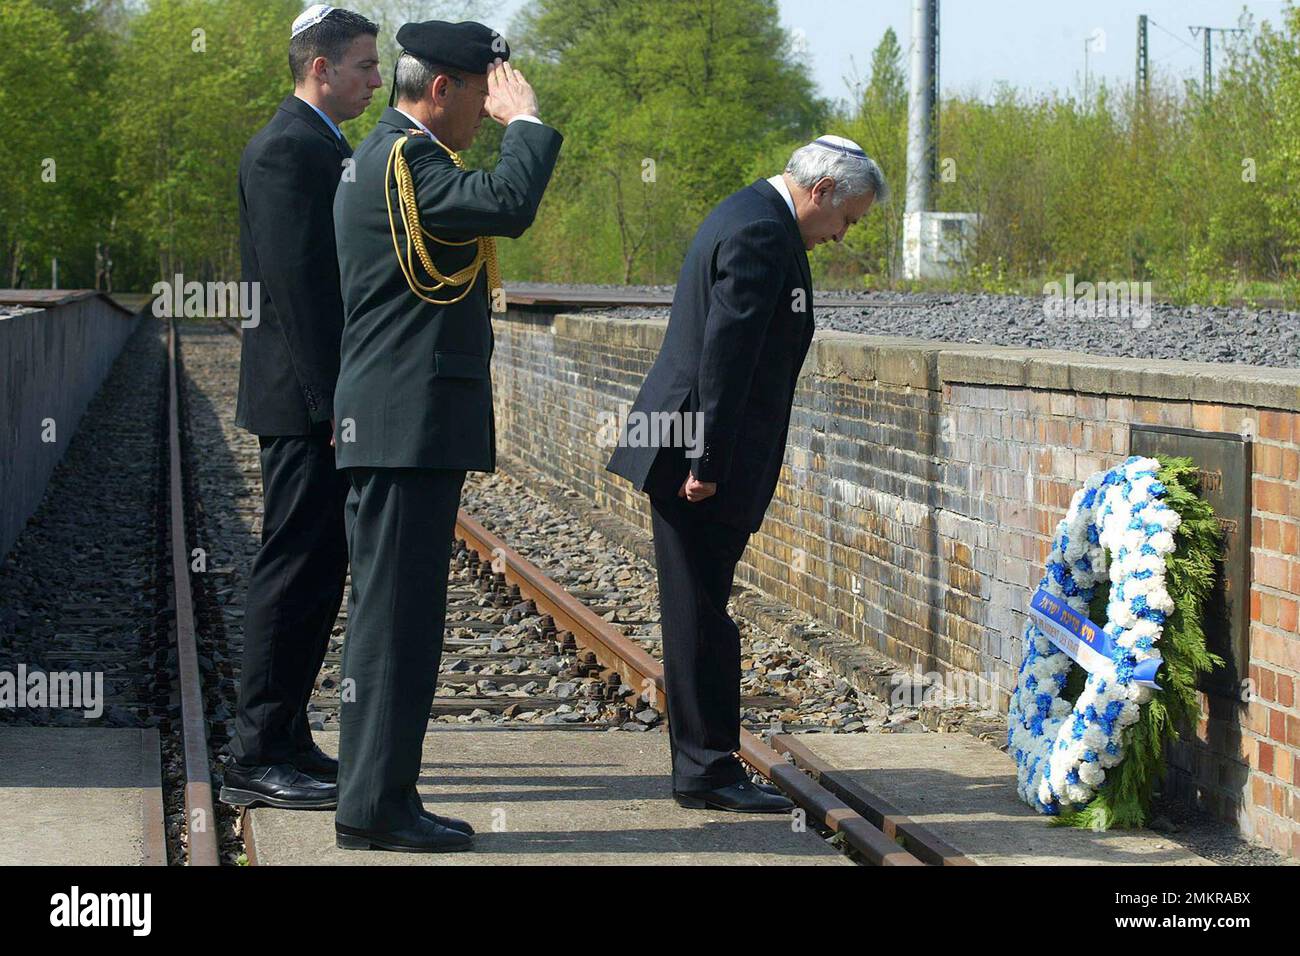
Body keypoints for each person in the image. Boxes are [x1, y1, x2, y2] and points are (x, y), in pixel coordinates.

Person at [330, 20, 562, 852]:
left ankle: (380, 795)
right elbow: (509, 205)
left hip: (400, 423)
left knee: (398, 619)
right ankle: (374, 808)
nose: (486, 111)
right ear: (443, 89)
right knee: (396, 624)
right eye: (482, 94)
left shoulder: (387, 158)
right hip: (404, 425)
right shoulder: (407, 160)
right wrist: (527, 126)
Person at [607, 136, 887, 812]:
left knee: (699, 607)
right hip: (694, 452)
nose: (842, 236)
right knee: (702, 613)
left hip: (680, 437)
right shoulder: (763, 234)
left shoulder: (746, 211)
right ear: (819, 193)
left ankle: (705, 763)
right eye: (846, 219)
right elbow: (725, 360)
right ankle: (706, 770)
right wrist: (706, 464)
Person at [219, 5, 382, 811]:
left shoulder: (317, 140)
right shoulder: (289, 148)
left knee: (318, 569)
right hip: (304, 403)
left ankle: (285, 736)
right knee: (291, 570)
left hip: (315, 401)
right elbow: (301, 295)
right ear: (320, 67)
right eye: (363, 66)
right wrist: (333, 405)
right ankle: (255, 751)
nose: (376, 80)